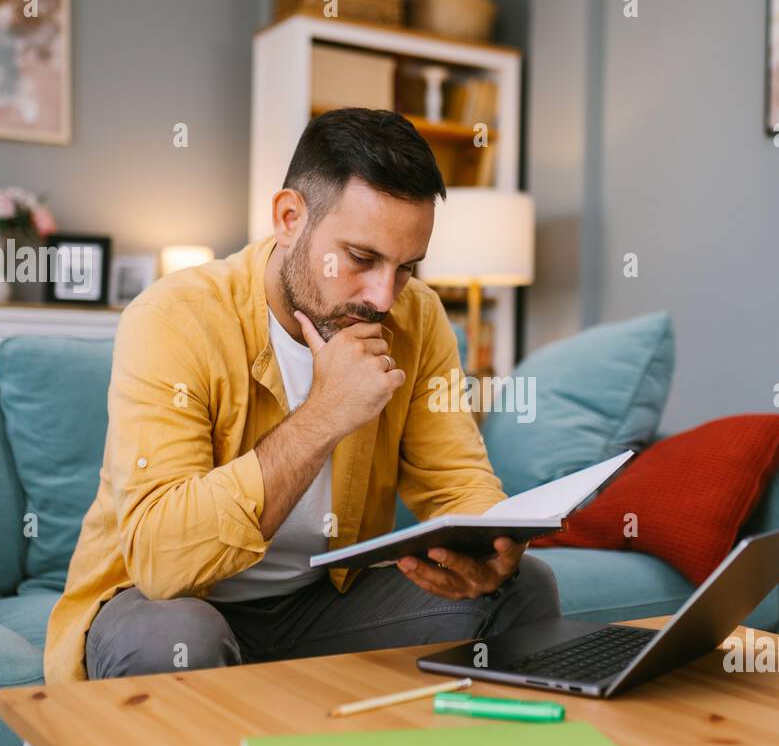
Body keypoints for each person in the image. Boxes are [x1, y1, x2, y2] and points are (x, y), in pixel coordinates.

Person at [43, 108, 559, 684]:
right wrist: (324, 415)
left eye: (406, 267)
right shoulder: (172, 318)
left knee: (525, 587)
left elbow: (456, 479)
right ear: (290, 218)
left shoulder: (418, 318)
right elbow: (164, 563)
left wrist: (491, 548)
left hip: (317, 608)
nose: (383, 298)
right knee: (178, 637)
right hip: (167, 602)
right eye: (361, 259)